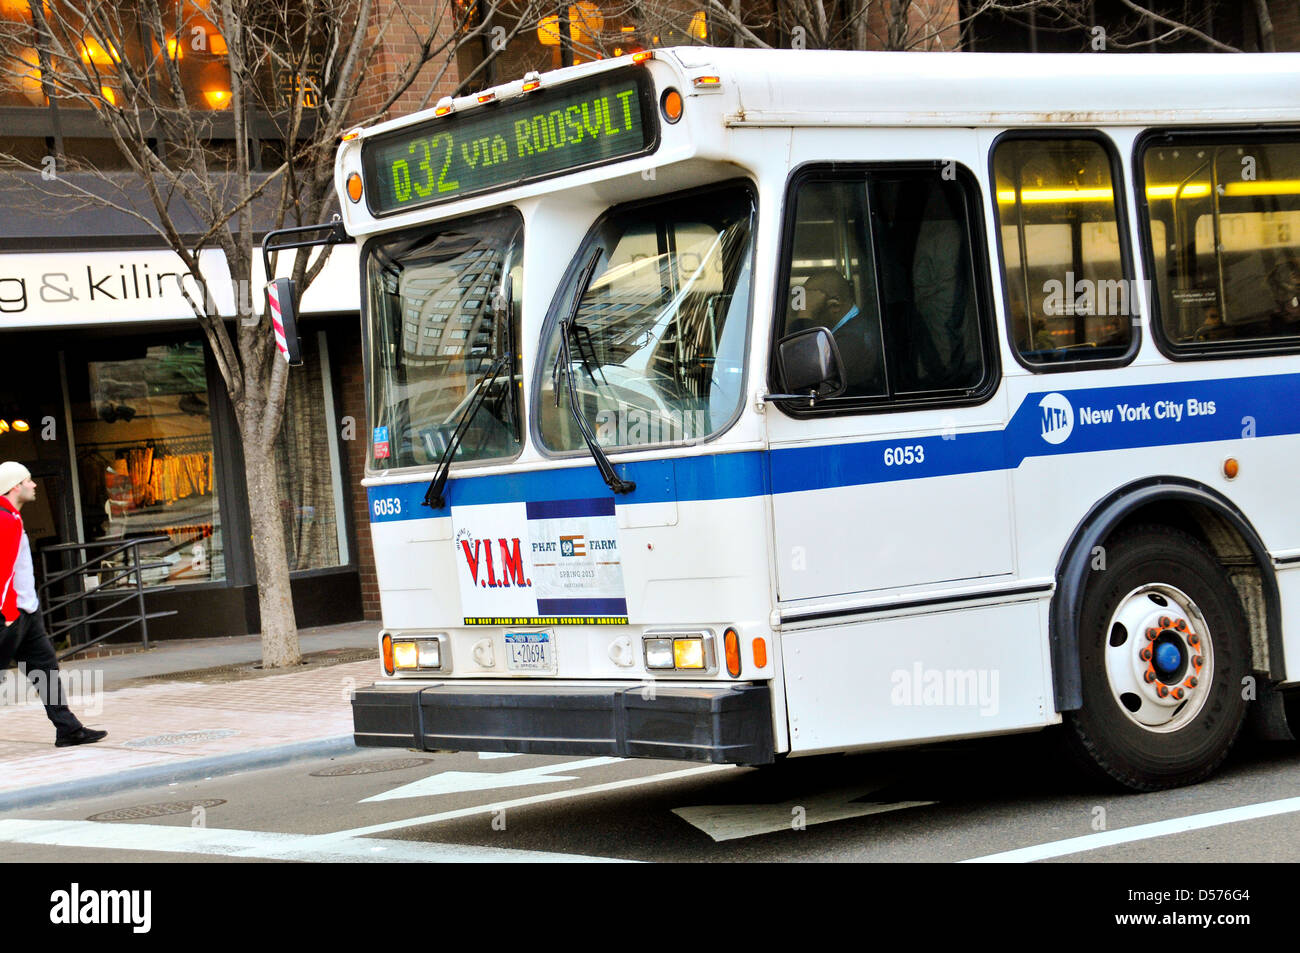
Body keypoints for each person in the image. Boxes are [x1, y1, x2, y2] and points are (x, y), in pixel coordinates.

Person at [0, 462, 107, 747]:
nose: (34, 485)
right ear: (15, 486)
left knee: (45, 669)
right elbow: (2, 572)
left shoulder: (12, 516)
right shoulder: (4, 520)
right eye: (29, 481)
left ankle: (68, 729)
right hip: (9, 616)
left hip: (27, 614)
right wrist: (9, 614)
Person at [792, 269, 886, 395]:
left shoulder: (850, 339)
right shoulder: (858, 325)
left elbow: (803, 377)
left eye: (810, 305)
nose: (803, 308)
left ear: (835, 305)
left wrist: (805, 316)